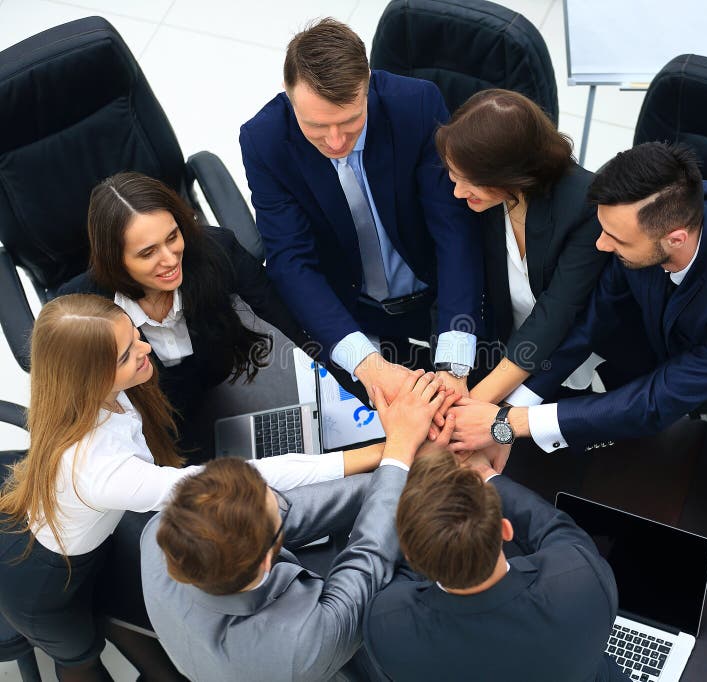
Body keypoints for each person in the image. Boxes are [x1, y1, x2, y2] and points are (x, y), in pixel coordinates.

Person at [0, 294, 382, 682]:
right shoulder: (101, 470)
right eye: (126, 355)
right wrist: (375, 455)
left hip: (90, 540)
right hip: (44, 584)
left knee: (111, 612)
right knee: (81, 657)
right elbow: (244, 482)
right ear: (90, 377)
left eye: (135, 336)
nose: (145, 349)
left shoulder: (78, 396)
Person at [448, 142, 707, 477]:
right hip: (678, 369)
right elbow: (592, 318)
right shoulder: (658, 212)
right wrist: (506, 410)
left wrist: (508, 425)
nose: (601, 245)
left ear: (675, 239)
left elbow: (656, 402)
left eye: (616, 239)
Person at [140, 370, 454, 682]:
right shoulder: (300, 645)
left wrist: (398, 464)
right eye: (277, 508)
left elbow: (293, 512)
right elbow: (368, 561)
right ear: (265, 561)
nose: (285, 503)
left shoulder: (163, 530)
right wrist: (403, 459)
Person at [240, 18, 484, 405]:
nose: (336, 141)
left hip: (439, 296)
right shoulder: (264, 140)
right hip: (349, 314)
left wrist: (454, 366)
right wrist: (367, 364)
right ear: (288, 94)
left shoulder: (417, 105)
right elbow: (291, 260)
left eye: (350, 121)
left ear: (368, 85)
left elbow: (454, 230)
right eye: (317, 126)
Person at [59, 172, 362, 455]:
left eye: (172, 237)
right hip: (145, 421)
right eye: (148, 252)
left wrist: (367, 381)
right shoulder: (82, 309)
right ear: (115, 259)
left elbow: (297, 322)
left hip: (217, 386)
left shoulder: (216, 250)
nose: (170, 260)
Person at [363, 451, 625, 681]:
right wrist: (484, 472)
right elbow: (558, 529)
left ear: (411, 556)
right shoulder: (582, 580)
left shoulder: (387, 626)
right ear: (505, 529)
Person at [435, 88, 608, 410]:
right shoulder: (483, 199)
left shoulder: (584, 205)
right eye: (454, 177)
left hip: (571, 364)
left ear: (510, 172)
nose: (457, 192)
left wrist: (472, 406)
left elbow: (556, 314)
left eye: (469, 181)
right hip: (501, 353)